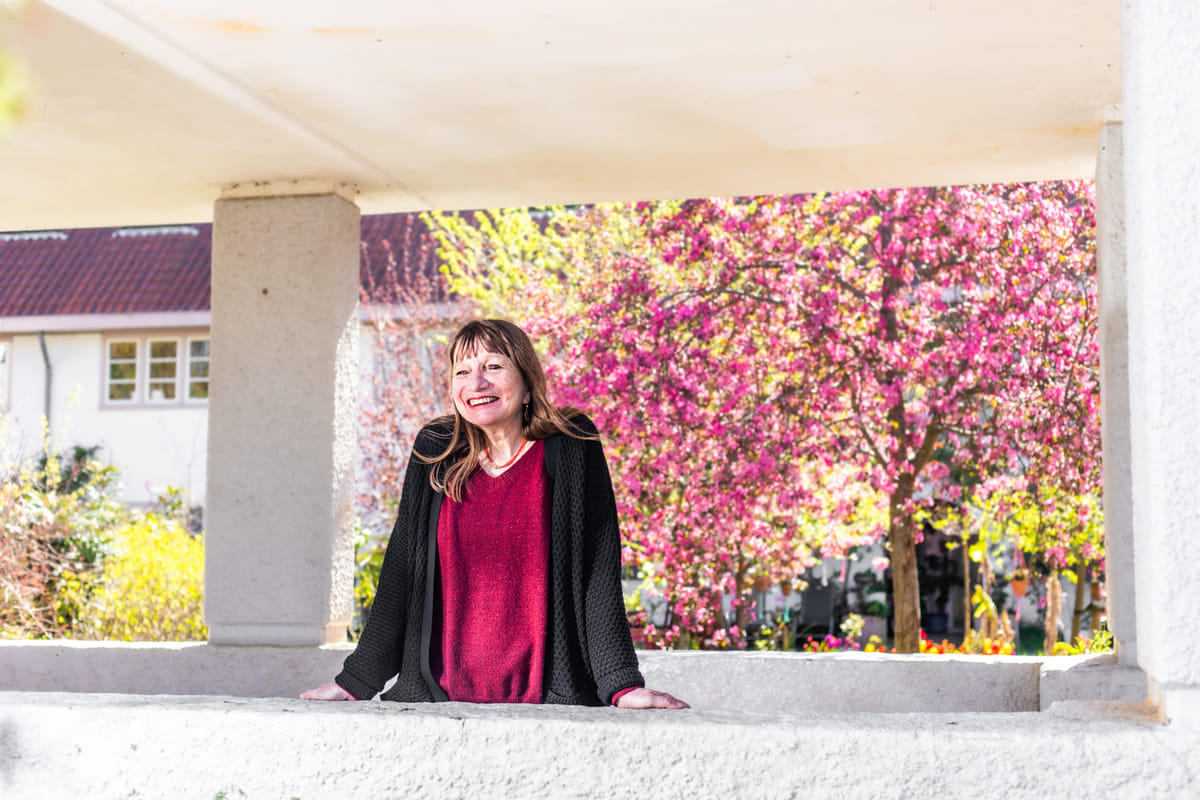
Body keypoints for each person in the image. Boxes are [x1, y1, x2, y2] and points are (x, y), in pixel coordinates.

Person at [302, 319, 688, 710]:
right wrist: (355, 681)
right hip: (438, 701)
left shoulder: (571, 444)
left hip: (547, 699)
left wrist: (620, 683)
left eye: (493, 367)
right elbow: (401, 573)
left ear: (526, 383)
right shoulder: (434, 452)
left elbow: (598, 569)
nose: (477, 383)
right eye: (462, 372)